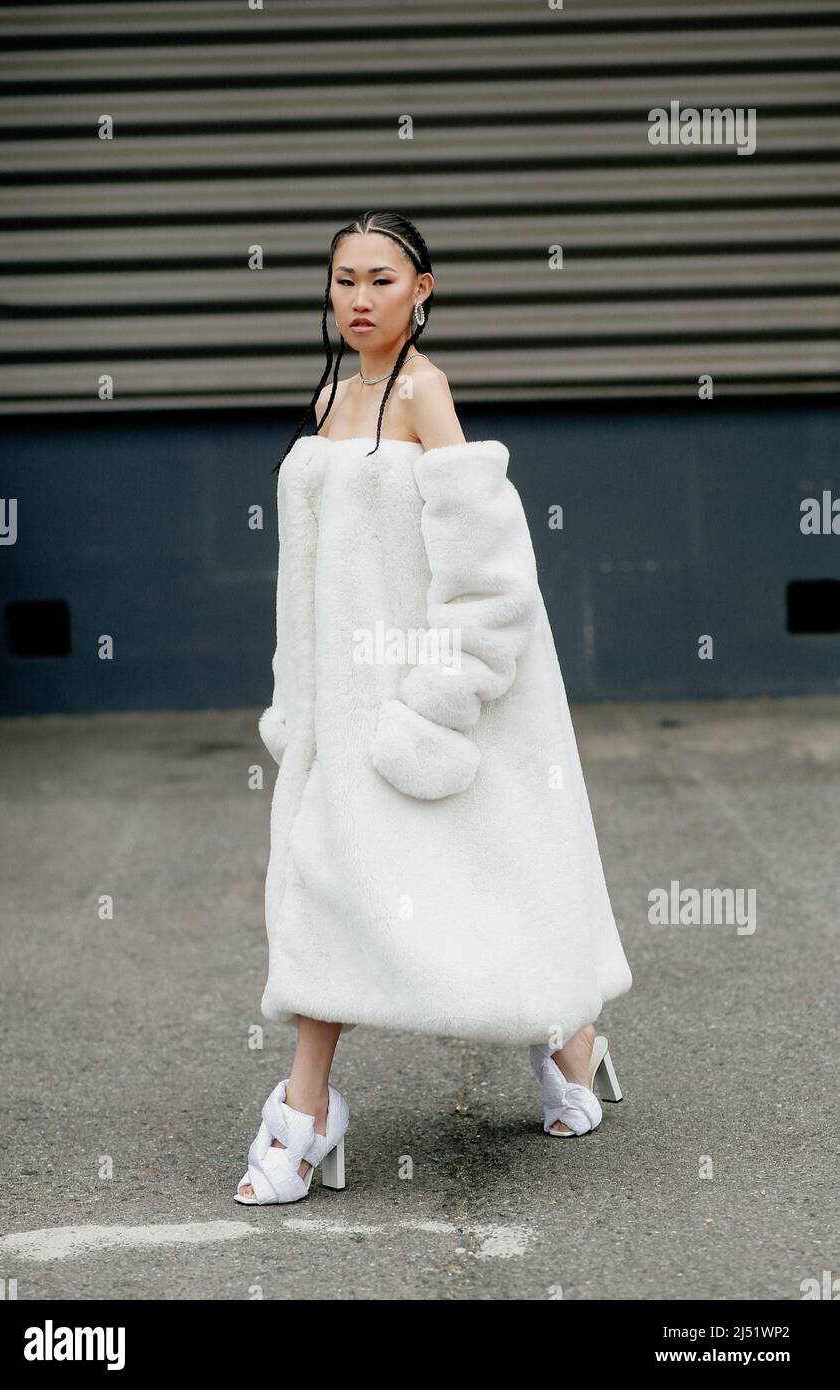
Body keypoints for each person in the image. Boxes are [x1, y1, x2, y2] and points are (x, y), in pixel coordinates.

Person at [235, 212, 632, 1205]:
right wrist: (296, 696)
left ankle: (563, 1032)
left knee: (489, 874)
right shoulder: (330, 391)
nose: (357, 298)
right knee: (328, 884)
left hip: (428, 697)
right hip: (341, 706)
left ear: (422, 290)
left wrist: (436, 700)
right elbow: (306, 575)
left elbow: (488, 567)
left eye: (379, 279)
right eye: (341, 281)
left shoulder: (423, 390)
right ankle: (310, 1108)